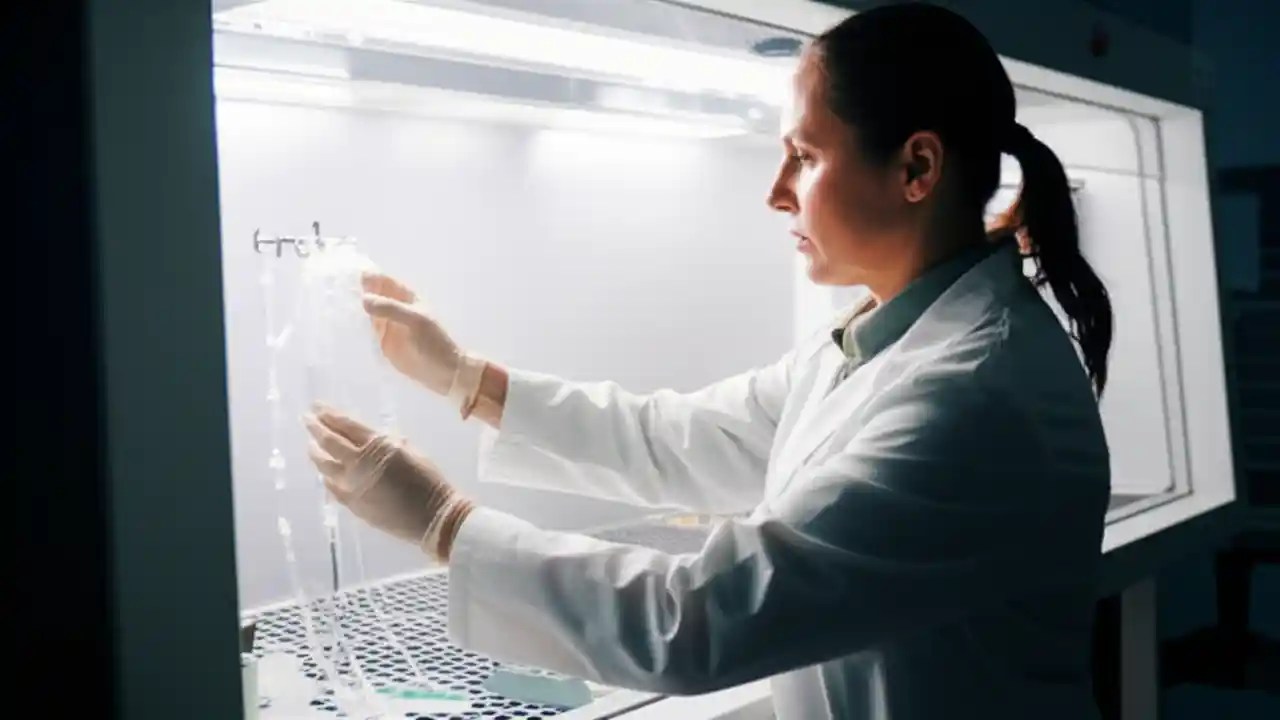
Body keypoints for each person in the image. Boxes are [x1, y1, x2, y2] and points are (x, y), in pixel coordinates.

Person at [302, 3, 1115, 718]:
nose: (776, 190)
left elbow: (694, 622)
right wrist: (463, 378)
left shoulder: (973, 396)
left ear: (916, 169)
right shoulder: (883, 340)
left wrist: (444, 523)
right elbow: (681, 437)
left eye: (804, 155)